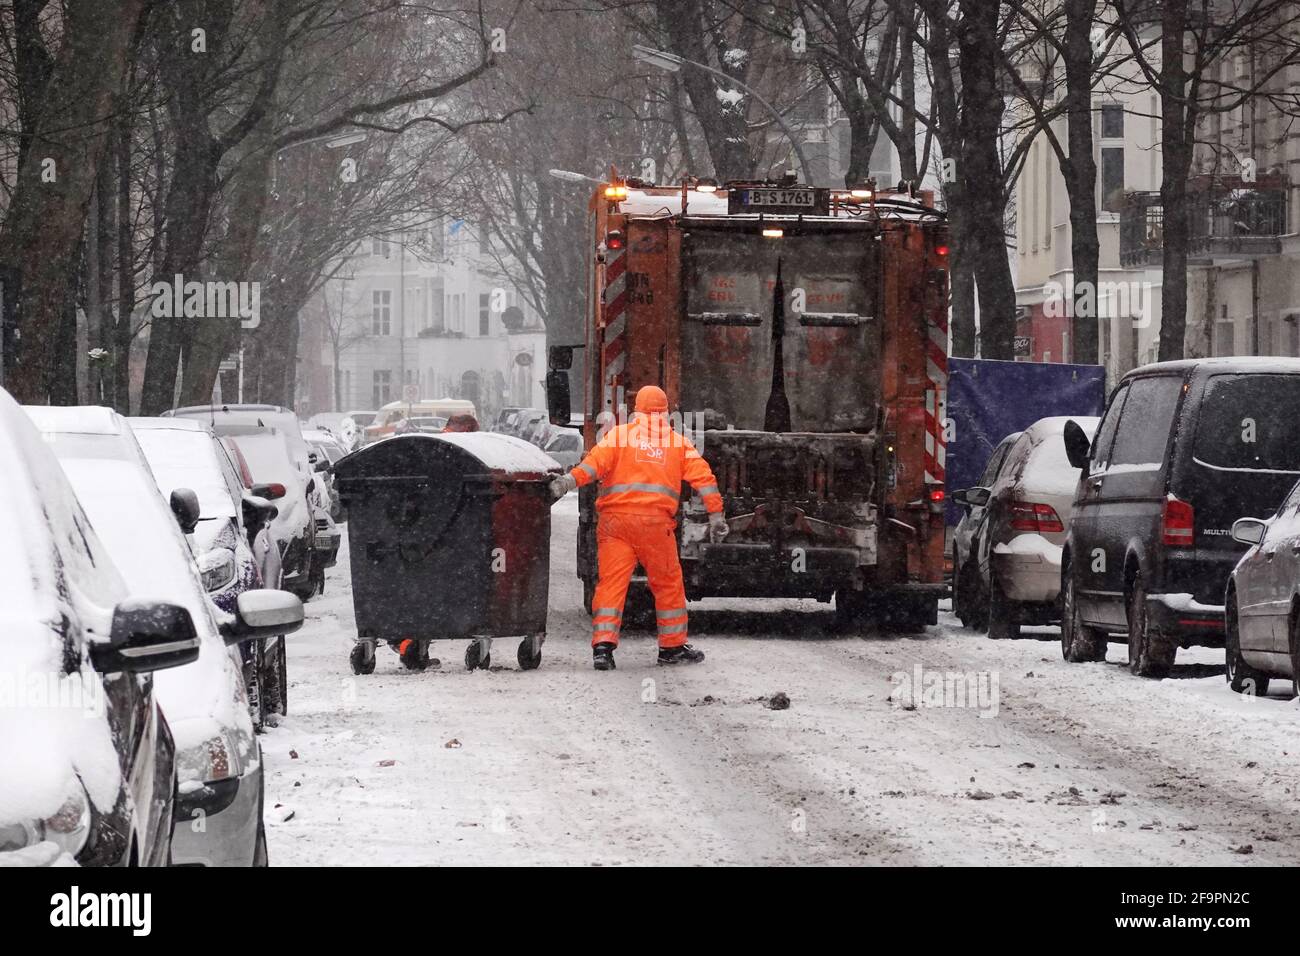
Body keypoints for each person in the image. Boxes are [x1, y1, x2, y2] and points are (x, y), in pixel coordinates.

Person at [549, 385, 728, 670]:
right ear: (666, 411)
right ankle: (671, 649)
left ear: (637, 410)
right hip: (655, 527)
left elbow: (592, 466)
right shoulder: (677, 442)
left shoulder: (618, 437)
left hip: (615, 524)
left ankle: (603, 648)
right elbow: (704, 478)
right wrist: (716, 515)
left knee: (611, 584)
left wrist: (565, 483)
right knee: (667, 586)